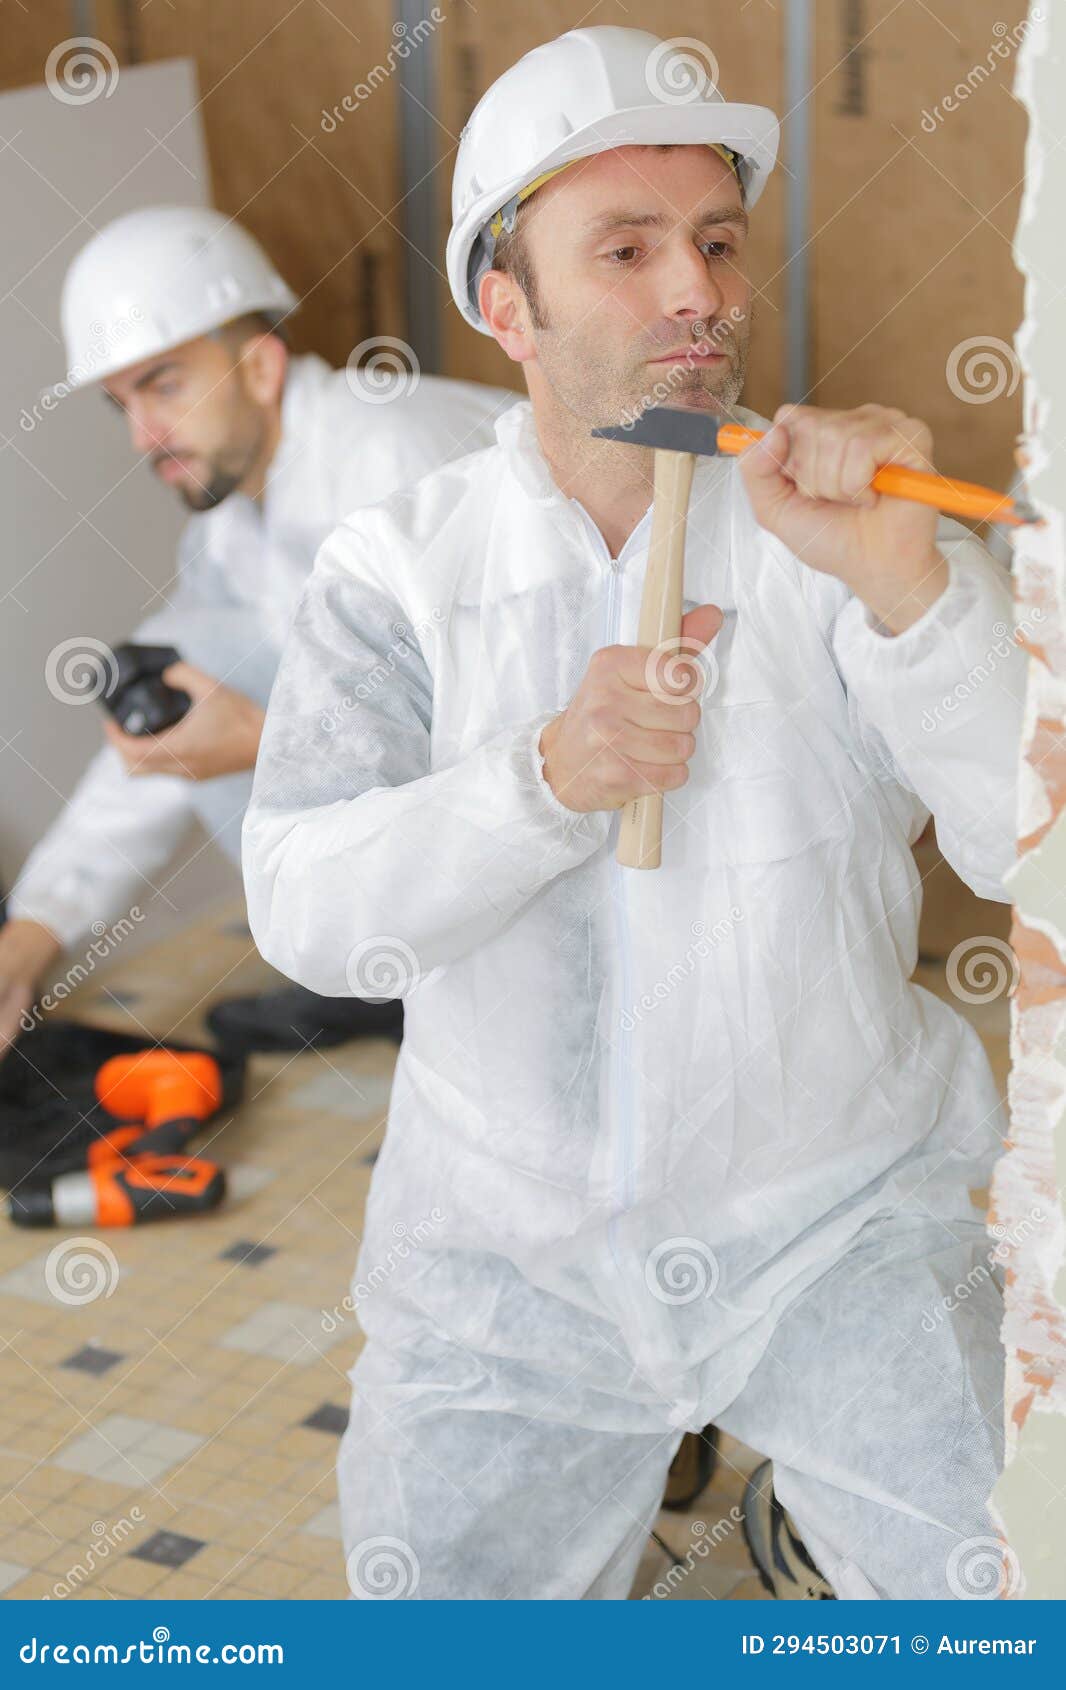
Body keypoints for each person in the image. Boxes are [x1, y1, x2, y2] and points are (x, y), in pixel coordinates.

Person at [242, 27, 1023, 1599]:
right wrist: (542, 778)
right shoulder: (399, 569)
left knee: (990, 1606)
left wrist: (907, 596)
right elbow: (312, 913)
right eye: (628, 248)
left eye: (718, 243)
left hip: (840, 1221)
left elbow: (1031, 846)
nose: (703, 294)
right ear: (502, 305)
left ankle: (807, 1525)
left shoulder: (836, 525)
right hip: (502, 1266)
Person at [0, 206, 512, 1054]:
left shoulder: (396, 464)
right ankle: (375, 972)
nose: (141, 435)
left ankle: (443, 988)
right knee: (180, 670)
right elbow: (163, 739)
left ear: (262, 367)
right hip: (442, 854)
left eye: (163, 383)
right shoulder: (228, 530)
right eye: (120, 402)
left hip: (606, 822)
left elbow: (517, 733)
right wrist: (33, 934)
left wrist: (271, 742)